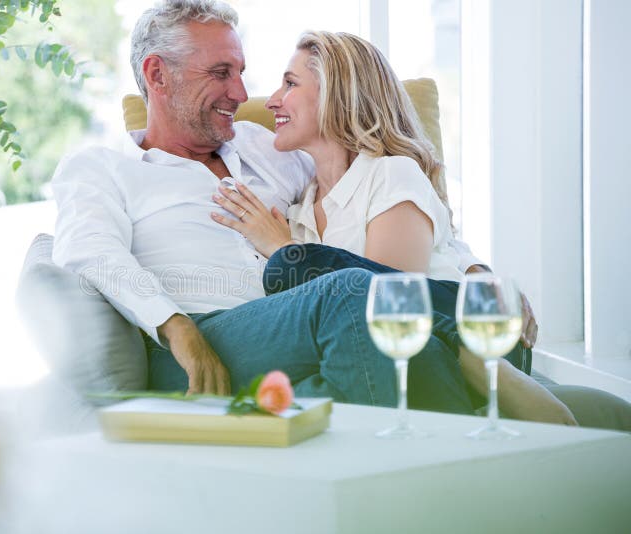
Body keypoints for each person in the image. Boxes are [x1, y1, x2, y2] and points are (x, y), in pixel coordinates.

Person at [52, 0, 511, 415]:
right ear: (157, 74)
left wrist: (473, 271)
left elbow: (372, 186)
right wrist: (176, 327)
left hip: (303, 334)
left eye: (240, 72)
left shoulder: (266, 148)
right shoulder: (102, 168)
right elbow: (89, 253)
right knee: (351, 294)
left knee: (383, 332)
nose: (239, 93)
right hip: (196, 350)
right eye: (220, 73)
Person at [209, 30, 576, 425]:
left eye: (290, 83)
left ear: (337, 94)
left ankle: (469, 357)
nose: (274, 100)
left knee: (336, 286)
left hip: (430, 349)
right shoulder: (296, 211)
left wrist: (287, 253)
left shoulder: (390, 175)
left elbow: (388, 306)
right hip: (405, 357)